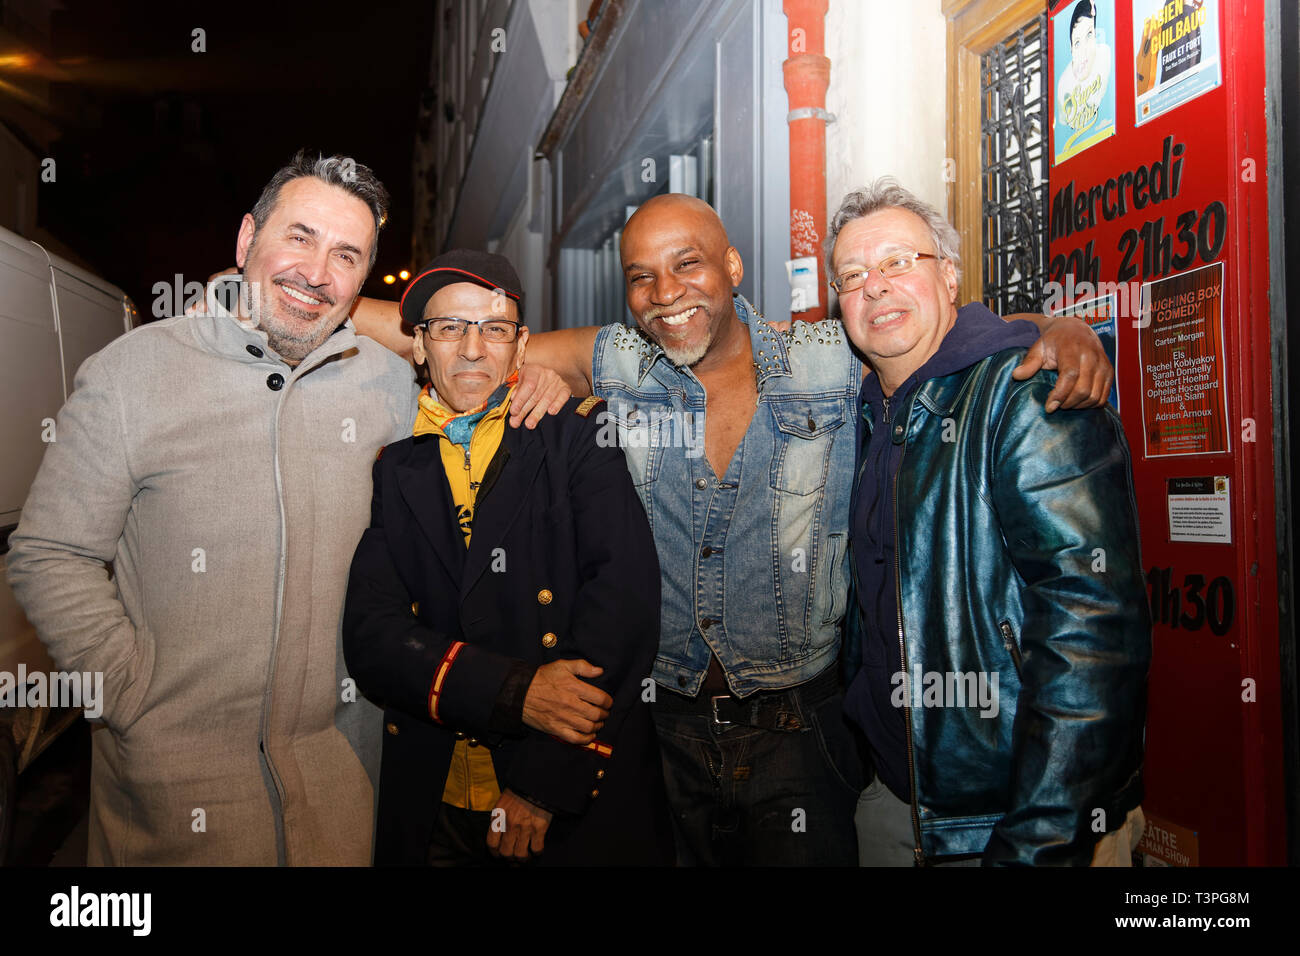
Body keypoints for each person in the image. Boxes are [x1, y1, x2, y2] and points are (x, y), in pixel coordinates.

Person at [350, 193, 1115, 866]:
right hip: (662, 734)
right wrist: (321, 297)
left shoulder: (830, 357)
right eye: (642, 276)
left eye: (688, 264)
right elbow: (459, 331)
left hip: (803, 734)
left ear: (734, 265)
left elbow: (926, 330)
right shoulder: (620, 363)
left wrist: (1050, 328)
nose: (665, 293)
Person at [5, 153, 566, 866]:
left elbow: (480, 398)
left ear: (363, 283)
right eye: (298, 237)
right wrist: (126, 693)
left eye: (346, 254)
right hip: (172, 798)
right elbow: (52, 552)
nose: (316, 271)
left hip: (345, 789)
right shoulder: (133, 373)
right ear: (246, 241)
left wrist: (529, 376)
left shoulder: (395, 390)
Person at [829, 178, 1150, 866]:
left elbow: (1094, 633)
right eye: (853, 275)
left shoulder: (1028, 391)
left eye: (897, 262)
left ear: (949, 276)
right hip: (896, 802)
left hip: (1018, 819)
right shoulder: (858, 413)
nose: (875, 287)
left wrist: (1041, 839)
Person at [342, 250, 674, 865]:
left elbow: (622, 611)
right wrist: (516, 693)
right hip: (435, 800)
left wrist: (544, 784)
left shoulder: (576, 436)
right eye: (450, 328)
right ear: (419, 346)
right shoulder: (396, 463)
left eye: (494, 329)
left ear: (521, 349)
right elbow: (375, 638)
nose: (472, 349)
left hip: (562, 798)